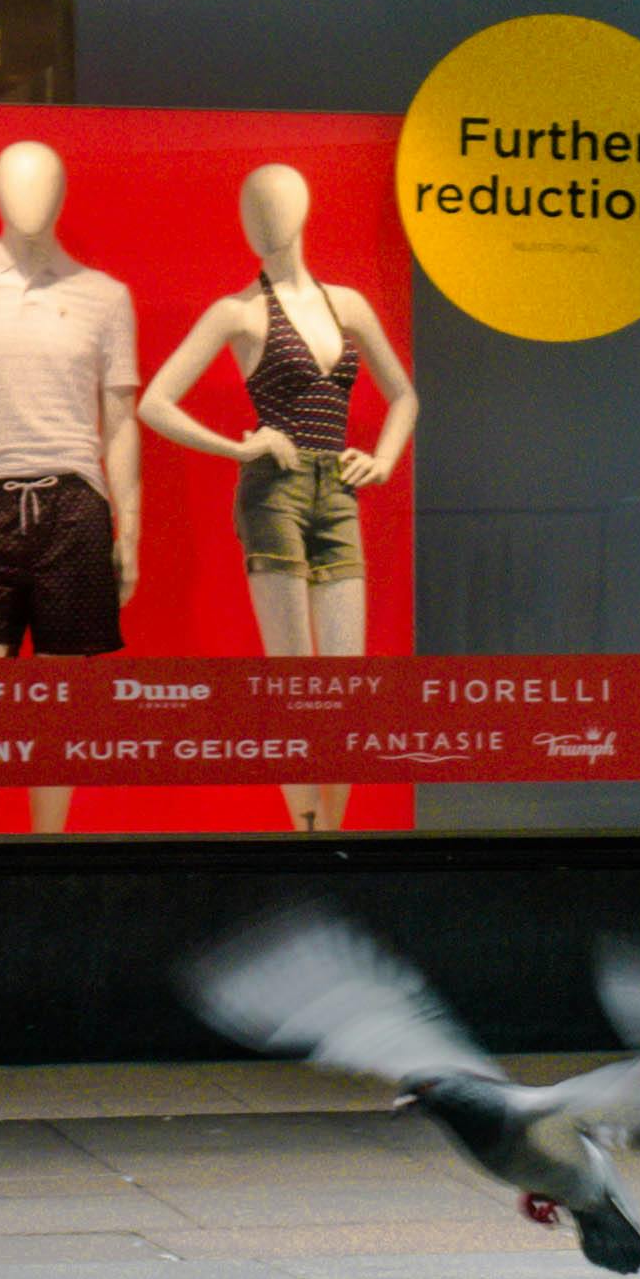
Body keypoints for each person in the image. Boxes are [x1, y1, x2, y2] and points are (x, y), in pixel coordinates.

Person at [139, 162, 417, 837]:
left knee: (346, 686)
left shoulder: (346, 304)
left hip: (338, 492)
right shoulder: (236, 312)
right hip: (276, 492)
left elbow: (404, 394)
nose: (261, 219)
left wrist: (380, 458)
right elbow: (154, 402)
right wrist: (240, 447)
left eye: (274, 205)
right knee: (293, 682)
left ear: (302, 211)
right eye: (251, 208)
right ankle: (304, 832)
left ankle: (334, 835)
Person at [0, 139, 140, 840]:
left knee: (62, 711)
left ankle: (50, 857)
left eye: (43, 184)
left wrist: (129, 528)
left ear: (65, 193)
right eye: (15, 182)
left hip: (76, 506)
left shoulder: (105, 298)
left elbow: (122, 419)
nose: (29, 198)